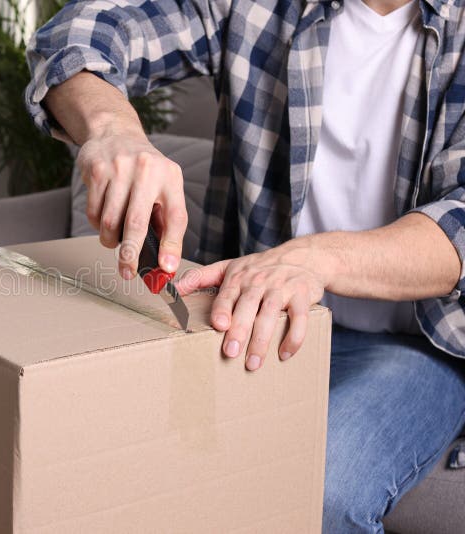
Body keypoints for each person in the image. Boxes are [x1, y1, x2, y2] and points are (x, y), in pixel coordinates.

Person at [24, 0, 465, 531]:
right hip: (251, 316)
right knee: (106, 456)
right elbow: (76, 34)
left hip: (420, 342)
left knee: (315, 489)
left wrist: (312, 259)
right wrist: (112, 129)